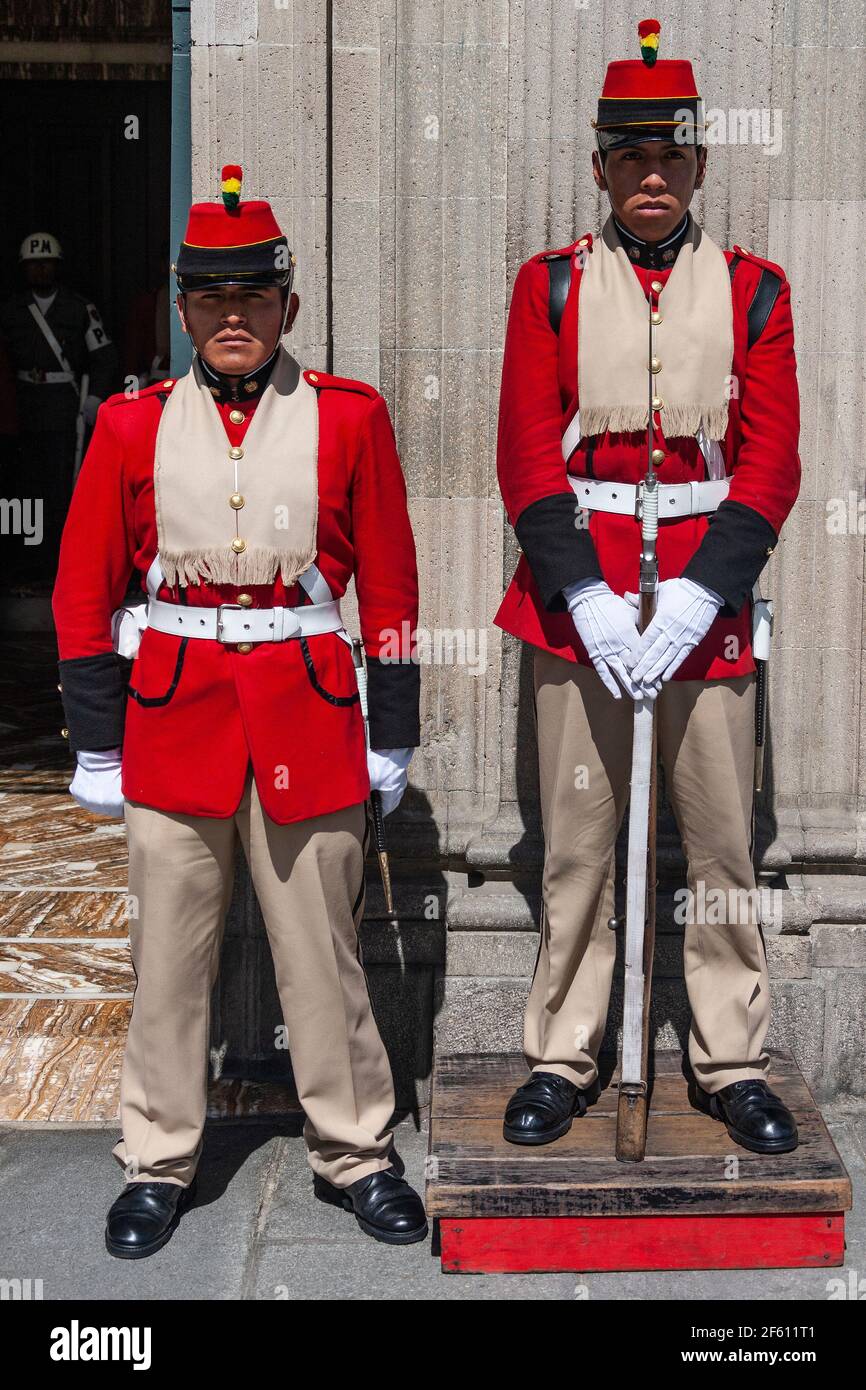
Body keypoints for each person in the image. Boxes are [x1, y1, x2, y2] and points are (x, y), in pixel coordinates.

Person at [52, 166, 427, 1257]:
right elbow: (82, 591)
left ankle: (355, 1149)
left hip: (308, 717)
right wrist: (93, 740)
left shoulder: (348, 418)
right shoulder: (128, 424)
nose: (231, 318)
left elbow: (392, 586)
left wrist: (389, 725)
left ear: (287, 308)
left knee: (322, 952)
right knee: (167, 960)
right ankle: (158, 1156)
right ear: (182, 309)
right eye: (210, 300)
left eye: (252, 299)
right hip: (171, 722)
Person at [494, 21, 802, 1155]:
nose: (652, 177)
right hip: (577, 616)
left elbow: (771, 462)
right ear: (600, 168)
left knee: (721, 848)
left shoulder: (757, 292)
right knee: (575, 844)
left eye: (671, 157)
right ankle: (563, 1051)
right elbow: (526, 454)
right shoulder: (553, 287)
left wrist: (694, 596)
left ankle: (728, 1058)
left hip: (700, 618)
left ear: (700, 166)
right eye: (631, 159)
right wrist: (579, 595)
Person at [0, 232, 117, 585]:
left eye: (46, 262)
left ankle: (60, 560)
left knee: (62, 486)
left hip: (65, 408)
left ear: (57, 265)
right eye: (33, 263)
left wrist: (95, 398)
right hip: (22, 408)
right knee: (24, 487)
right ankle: (28, 560)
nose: (40, 269)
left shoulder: (78, 308)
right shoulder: (10, 310)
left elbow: (103, 356)